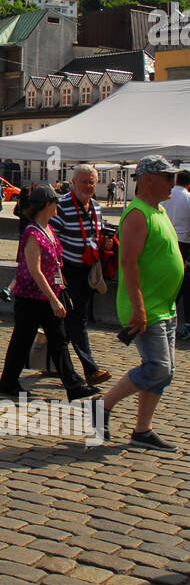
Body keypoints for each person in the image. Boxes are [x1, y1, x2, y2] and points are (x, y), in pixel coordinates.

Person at [96, 157, 184, 452]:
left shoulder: (158, 210)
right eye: (167, 177)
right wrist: (138, 307)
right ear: (148, 179)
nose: (173, 182)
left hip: (164, 305)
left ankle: (142, 430)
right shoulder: (137, 213)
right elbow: (128, 262)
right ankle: (102, 405)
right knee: (158, 367)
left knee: (164, 371)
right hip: (147, 307)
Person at [0, 184, 99, 402]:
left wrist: (60, 283)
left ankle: (73, 385)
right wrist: (54, 299)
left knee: (58, 339)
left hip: (47, 294)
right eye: (55, 202)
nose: (58, 206)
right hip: (32, 297)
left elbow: (54, 262)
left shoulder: (49, 229)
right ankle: (8, 382)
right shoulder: (33, 232)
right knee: (23, 340)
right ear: (46, 205)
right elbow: (34, 269)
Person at [51, 165, 112, 386]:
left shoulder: (96, 207)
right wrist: (57, 272)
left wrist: (103, 241)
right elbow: (51, 241)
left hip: (89, 270)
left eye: (92, 182)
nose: (88, 186)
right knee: (78, 320)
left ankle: (54, 362)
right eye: (84, 182)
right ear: (73, 182)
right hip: (67, 271)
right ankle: (90, 368)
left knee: (71, 321)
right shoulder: (62, 206)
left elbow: (94, 233)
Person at [163, 169, 190, 342]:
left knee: (167, 281)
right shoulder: (187, 197)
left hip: (165, 240)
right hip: (183, 242)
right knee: (184, 283)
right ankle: (184, 323)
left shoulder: (166, 195)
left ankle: (164, 315)